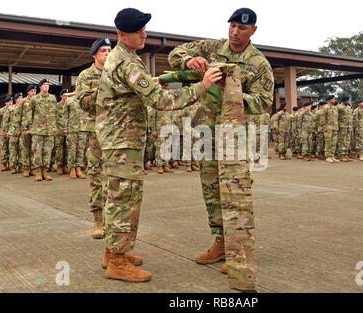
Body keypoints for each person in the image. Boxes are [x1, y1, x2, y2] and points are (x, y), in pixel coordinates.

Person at [96, 7, 222, 284]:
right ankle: (117, 262)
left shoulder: (125, 57)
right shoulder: (126, 63)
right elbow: (161, 101)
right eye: (137, 31)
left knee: (117, 196)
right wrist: (202, 86)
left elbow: (147, 86)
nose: (143, 35)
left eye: (144, 29)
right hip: (122, 141)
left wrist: (172, 78)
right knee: (124, 199)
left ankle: (113, 252)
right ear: (120, 34)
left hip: (120, 139)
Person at [168, 7, 274, 292]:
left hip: (236, 135)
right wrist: (190, 59)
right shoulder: (211, 48)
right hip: (207, 132)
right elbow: (175, 53)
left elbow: (264, 101)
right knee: (211, 189)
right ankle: (219, 241)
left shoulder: (259, 63)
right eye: (232, 26)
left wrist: (234, 93)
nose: (235, 32)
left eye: (242, 28)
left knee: (235, 192)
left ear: (253, 30)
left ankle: (238, 251)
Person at [76, 37, 112, 239]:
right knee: (97, 175)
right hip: (96, 131)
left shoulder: (115, 72)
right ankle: (98, 221)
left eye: (109, 50)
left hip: (115, 130)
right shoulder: (86, 75)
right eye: (103, 51)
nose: (107, 54)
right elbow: (83, 102)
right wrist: (102, 91)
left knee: (114, 177)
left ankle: (111, 220)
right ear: (94, 55)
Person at [30, 79, 57, 181]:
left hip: (49, 130)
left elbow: (56, 114)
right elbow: (30, 113)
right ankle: (38, 172)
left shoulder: (53, 98)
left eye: (48, 85)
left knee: (47, 151)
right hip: (38, 130)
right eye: (44, 85)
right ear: (40, 87)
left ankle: (45, 170)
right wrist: (30, 126)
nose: (46, 86)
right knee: (37, 151)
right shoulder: (35, 99)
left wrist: (55, 128)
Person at [19, 85, 37, 176]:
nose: (34, 92)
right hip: (25, 128)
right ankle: (26, 168)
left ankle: (33, 168)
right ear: (28, 92)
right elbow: (18, 115)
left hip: (35, 128)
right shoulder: (23, 101)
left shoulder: (38, 100)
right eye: (32, 91)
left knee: (34, 149)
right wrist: (18, 128)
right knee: (25, 148)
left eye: (35, 90)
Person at [0, 96, 12, 171]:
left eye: (11, 101)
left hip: (12, 132)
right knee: (3, 149)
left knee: (11, 149)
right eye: (9, 101)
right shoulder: (1, 111)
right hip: (3, 133)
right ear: (6, 103)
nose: (10, 103)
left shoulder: (14, 109)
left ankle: (12, 164)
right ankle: (4, 164)